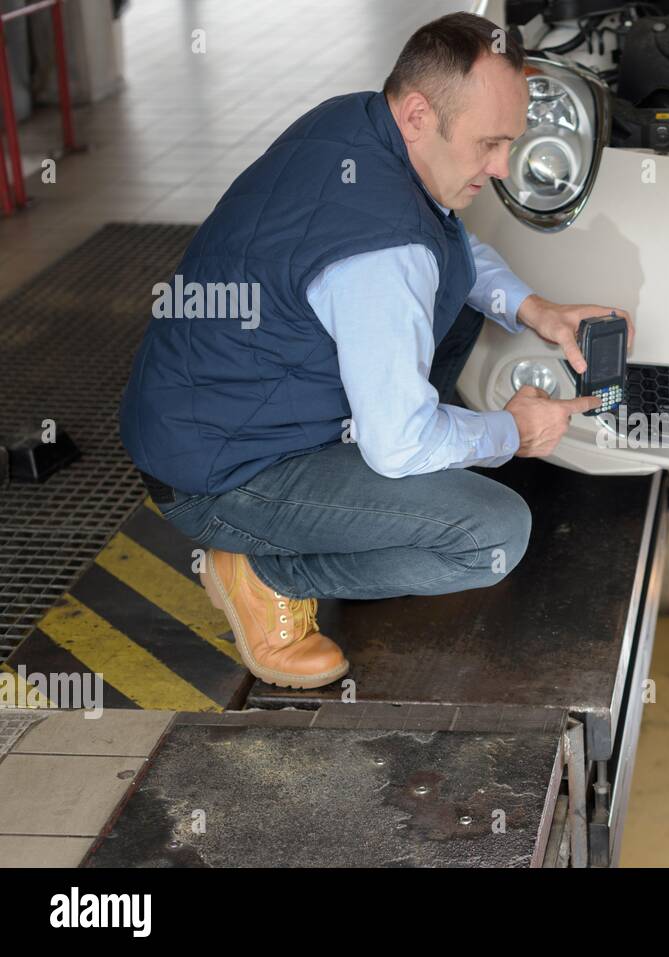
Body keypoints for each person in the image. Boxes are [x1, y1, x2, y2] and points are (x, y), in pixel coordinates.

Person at [118, 13, 630, 689]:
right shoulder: (384, 256)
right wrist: (516, 430)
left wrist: (536, 308)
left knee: (455, 310)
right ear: (420, 111)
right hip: (223, 474)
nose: (502, 166)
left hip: (209, 407)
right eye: (490, 143)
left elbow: (449, 245)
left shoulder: (359, 125)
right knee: (494, 533)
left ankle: (352, 498)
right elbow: (398, 443)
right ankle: (266, 572)